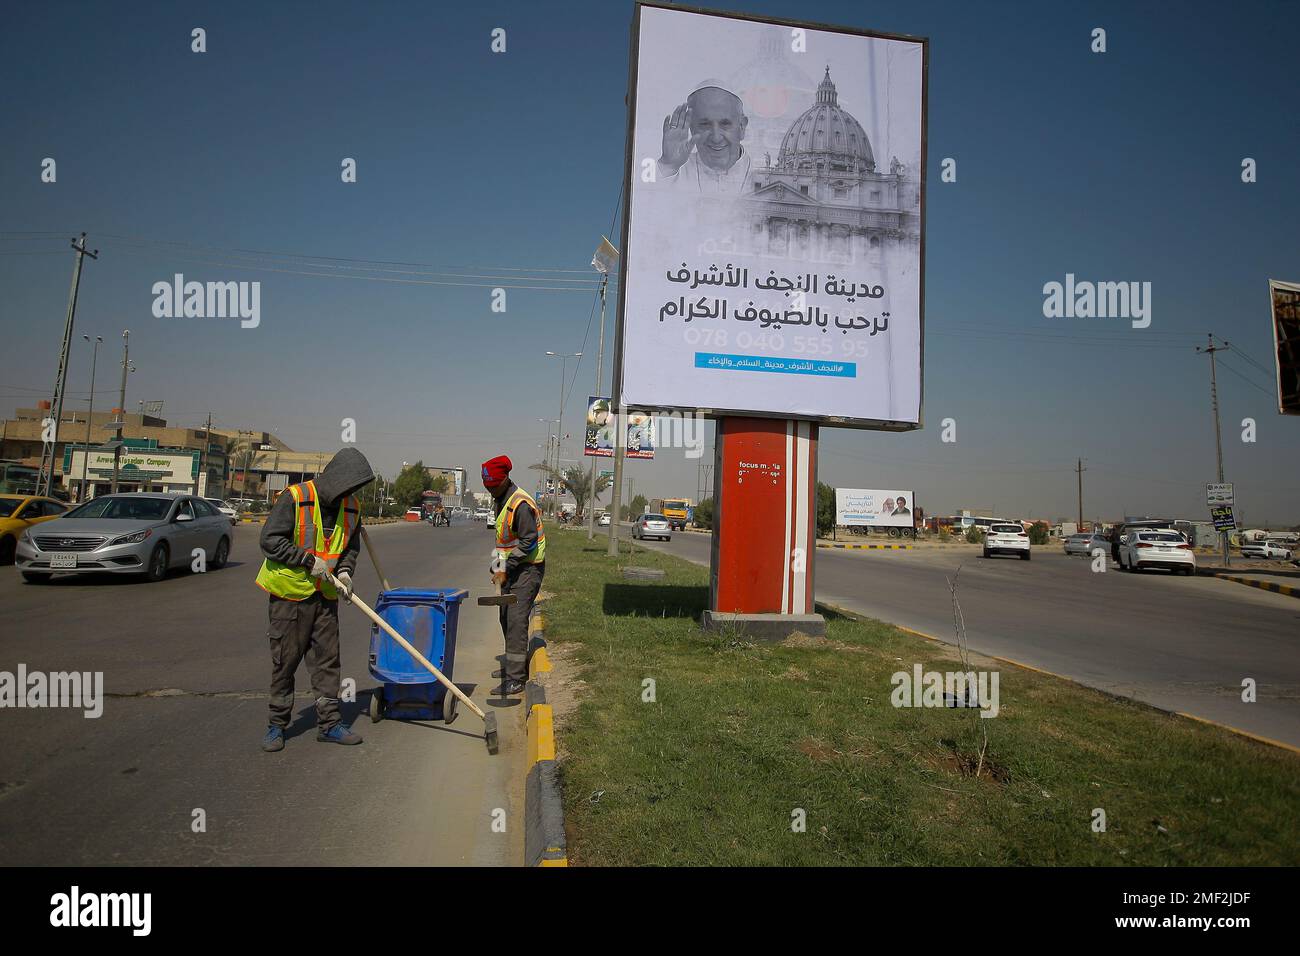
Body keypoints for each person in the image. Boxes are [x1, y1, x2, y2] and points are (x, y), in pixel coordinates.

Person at [255, 447, 374, 752]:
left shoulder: (351, 507)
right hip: (289, 596)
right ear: (337, 478)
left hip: (326, 597)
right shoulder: (295, 497)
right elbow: (269, 540)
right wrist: (306, 560)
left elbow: (350, 549)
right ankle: (276, 725)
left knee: (328, 662)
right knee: (285, 662)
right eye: (349, 485)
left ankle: (330, 724)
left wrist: (345, 573)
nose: (352, 492)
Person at [482, 455, 545, 695]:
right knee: (505, 618)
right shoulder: (500, 499)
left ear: (505, 480)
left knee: (517, 621)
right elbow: (503, 540)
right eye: (487, 487)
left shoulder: (520, 504)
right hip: (512, 567)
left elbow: (528, 541)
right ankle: (512, 665)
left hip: (528, 569)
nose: (489, 491)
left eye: (493, 486)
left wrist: (506, 566)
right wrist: (497, 566)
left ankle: (516, 678)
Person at [656, 83, 753, 195]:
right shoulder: (674, 171)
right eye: (705, 124)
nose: (716, 138)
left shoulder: (760, 171)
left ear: (742, 127)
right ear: (691, 128)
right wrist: (668, 165)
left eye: (725, 124)